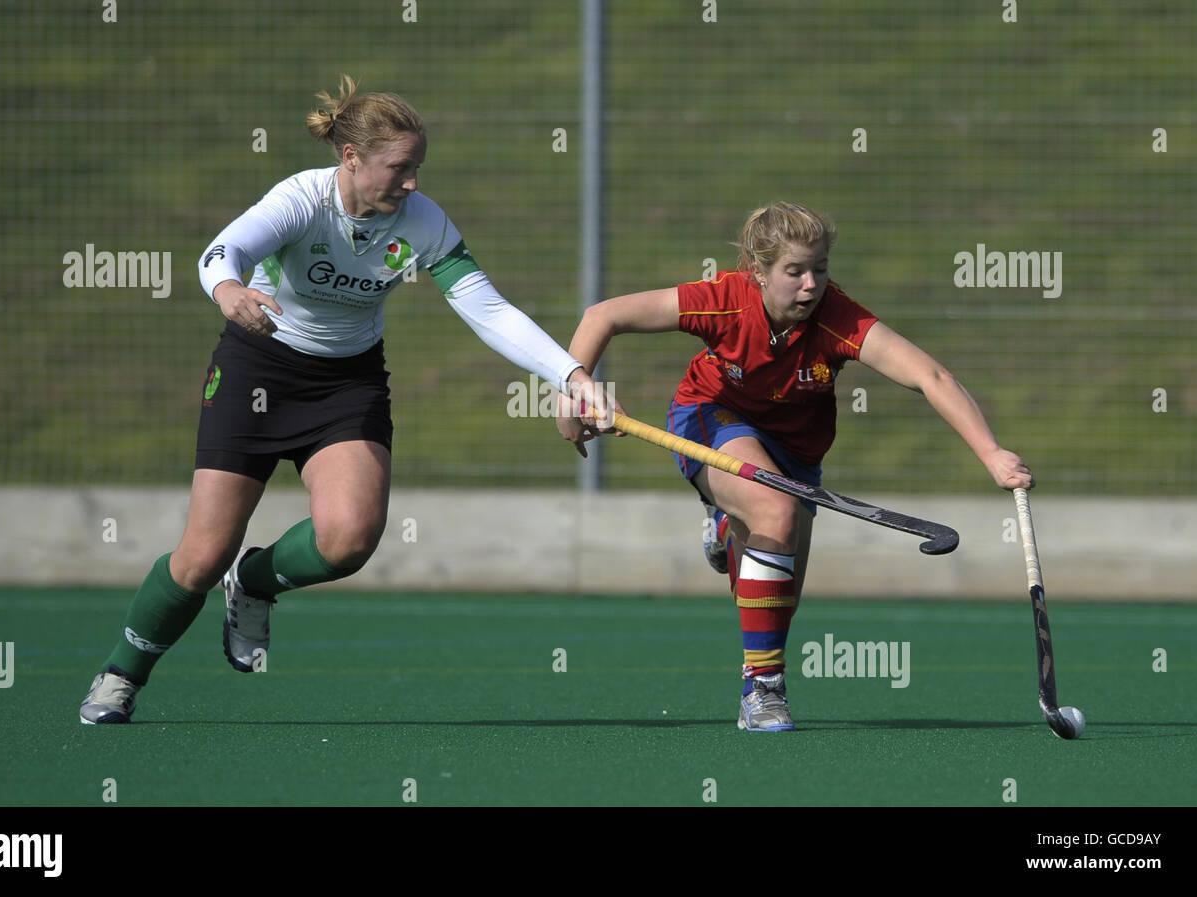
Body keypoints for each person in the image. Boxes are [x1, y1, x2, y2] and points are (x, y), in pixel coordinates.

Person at [80, 75, 610, 724]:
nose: (412, 183)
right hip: (258, 371)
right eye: (400, 167)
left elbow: (489, 310)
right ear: (351, 159)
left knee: (350, 538)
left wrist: (571, 374)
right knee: (200, 556)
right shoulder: (302, 199)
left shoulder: (423, 223)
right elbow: (226, 250)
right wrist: (228, 292)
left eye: (418, 168)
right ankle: (120, 673)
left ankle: (252, 582)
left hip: (347, 382)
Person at [557, 201, 1033, 732]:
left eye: (821, 269)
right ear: (757, 272)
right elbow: (603, 315)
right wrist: (569, 393)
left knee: (775, 593)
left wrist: (991, 453)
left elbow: (930, 376)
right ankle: (762, 691)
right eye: (795, 272)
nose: (811, 285)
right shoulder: (724, 301)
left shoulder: (838, 317)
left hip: (798, 456)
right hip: (712, 417)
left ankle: (726, 524)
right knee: (776, 511)